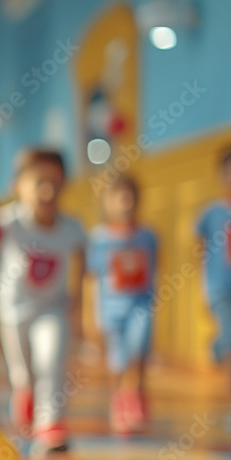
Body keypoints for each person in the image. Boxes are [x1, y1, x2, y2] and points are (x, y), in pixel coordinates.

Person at [0, 148, 86, 460]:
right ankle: (25, 395)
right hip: (13, 310)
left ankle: (51, 425)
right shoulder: (8, 222)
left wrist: (78, 306)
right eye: (39, 183)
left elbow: (81, 263)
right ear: (18, 185)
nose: (47, 191)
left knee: (52, 361)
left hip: (52, 308)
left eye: (55, 184)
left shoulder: (71, 228)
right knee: (23, 373)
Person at [87, 175, 157, 433]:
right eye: (119, 197)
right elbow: (92, 278)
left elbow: (155, 269)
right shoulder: (99, 238)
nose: (125, 203)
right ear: (107, 202)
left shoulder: (147, 237)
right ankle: (118, 401)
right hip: (111, 310)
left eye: (130, 197)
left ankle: (136, 397)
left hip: (140, 306)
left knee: (138, 351)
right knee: (117, 360)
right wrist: (91, 314)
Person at [195, 146, 231, 433]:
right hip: (223, 290)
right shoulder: (211, 214)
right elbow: (201, 252)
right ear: (223, 176)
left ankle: (219, 344)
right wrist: (205, 289)